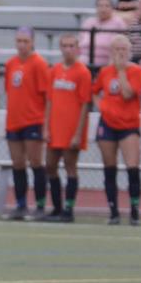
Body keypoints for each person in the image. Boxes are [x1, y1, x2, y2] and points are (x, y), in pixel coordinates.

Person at [93, 34, 141, 225]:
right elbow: (94, 91)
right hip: (108, 123)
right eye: (116, 49)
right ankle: (113, 211)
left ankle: (134, 211)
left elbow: (127, 93)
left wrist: (122, 71)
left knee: (132, 168)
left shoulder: (137, 71)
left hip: (128, 125)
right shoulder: (105, 71)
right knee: (109, 168)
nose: (120, 53)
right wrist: (102, 106)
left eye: (123, 49)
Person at [1, 26, 50, 220]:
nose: (22, 45)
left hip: (33, 121)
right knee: (17, 163)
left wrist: (45, 126)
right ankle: (20, 205)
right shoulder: (11, 64)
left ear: (32, 43)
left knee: (36, 162)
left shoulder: (39, 64)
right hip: (14, 121)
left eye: (25, 41)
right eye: (19, 41)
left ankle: (39, 206)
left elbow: (47, 97)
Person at [43, 32, 93, 222]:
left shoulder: (82, 72)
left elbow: (84, 105)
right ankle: (56, 208)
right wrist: (46, 127)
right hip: (55, 128)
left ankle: (68, 209)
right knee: (50, 166)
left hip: (71, 129)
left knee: (70, 167)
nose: (68, 49)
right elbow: (49, 101)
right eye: (64, 46)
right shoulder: (54, 70)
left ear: (77, 48)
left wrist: (78, 133)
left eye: (71, 46)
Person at [81, 0, 130, 68]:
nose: (103, 9)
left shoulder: (118, 23)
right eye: (100, 6)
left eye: (107, 6)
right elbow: (80, 43)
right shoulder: (88, 22)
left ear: (112, 8)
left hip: (108, 64)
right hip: (85, 62)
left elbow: (124, 46)